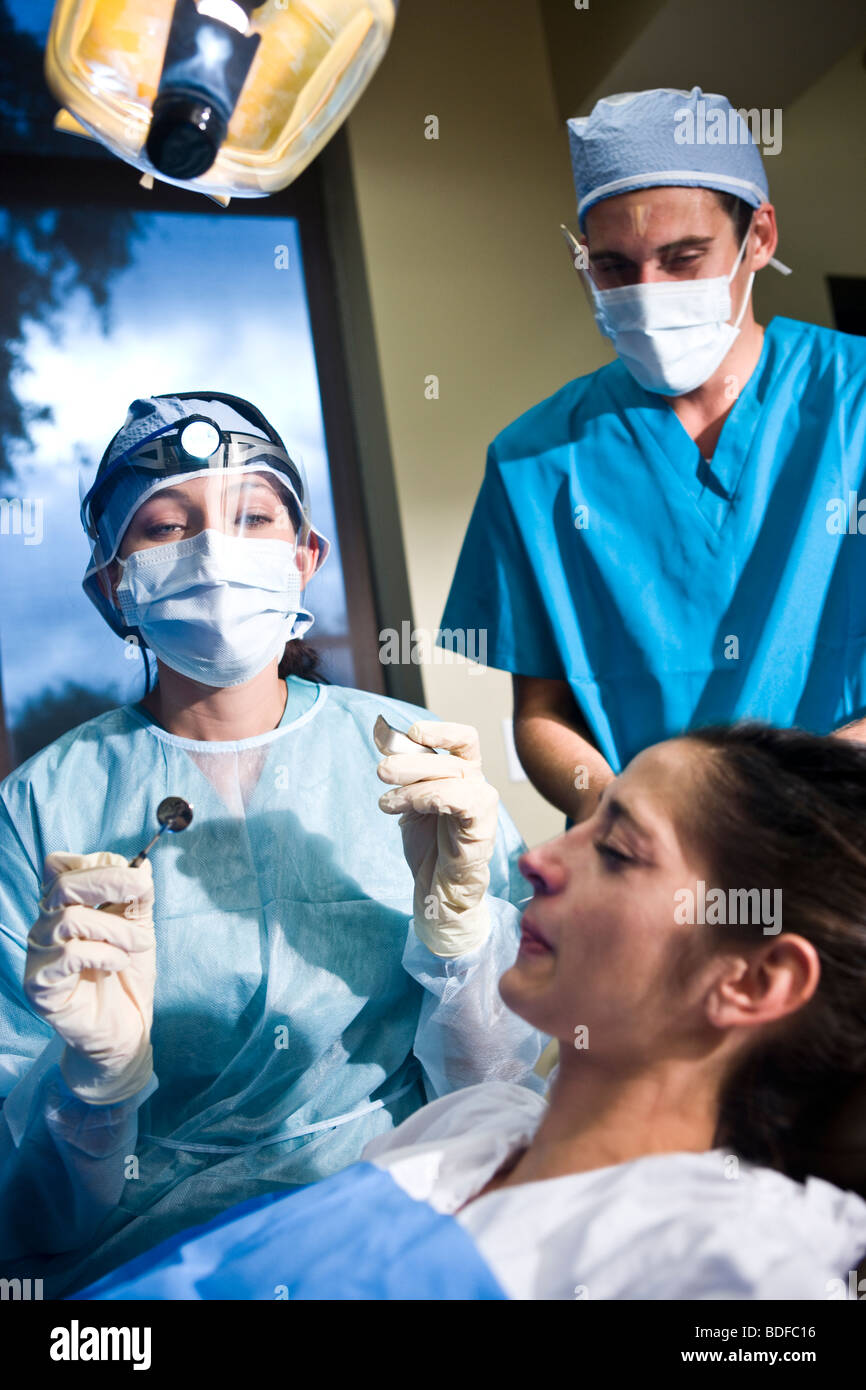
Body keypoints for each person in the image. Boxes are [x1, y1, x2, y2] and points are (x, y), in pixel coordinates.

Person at [0, 391, 545, 1297]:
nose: (214, 551)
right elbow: (25, 1206)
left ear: (304, 560)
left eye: (252, 517)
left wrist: (461, 941)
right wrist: (89, 1088)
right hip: (146, 1258)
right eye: (166, 527)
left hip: (393, 1218)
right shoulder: (41, 809)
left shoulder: (415, 757)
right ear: (113, 588)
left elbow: (493, 1094)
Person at [78, 721, 866, 1301]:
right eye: (585, 823)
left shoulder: (737, 1278)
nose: (534, 859)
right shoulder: (471, 1129)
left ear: (754, 981)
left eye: (618, 851)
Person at [439, 86, 866, 824]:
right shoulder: (536, 459)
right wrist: (627, 815)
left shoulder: (853, 403)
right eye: (613, 266)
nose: (647, 292)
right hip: (654, 868)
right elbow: (543, 711)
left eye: (683, 258)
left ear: (759, 237)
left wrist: (803, 807)